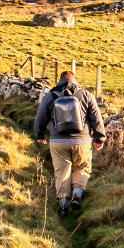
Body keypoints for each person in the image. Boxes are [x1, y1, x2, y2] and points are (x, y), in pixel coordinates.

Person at [33, 70, 105, 216]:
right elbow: (96, 118)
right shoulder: (86, 95)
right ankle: (77, 195)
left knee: (62, 172)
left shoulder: (50, 96)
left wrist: (39, 134)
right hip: (82, 141)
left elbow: (40, 117)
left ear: (59, 81)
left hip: (58, 141)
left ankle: (63, 203)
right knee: (82, 168)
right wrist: (99, 138)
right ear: (75, 80)